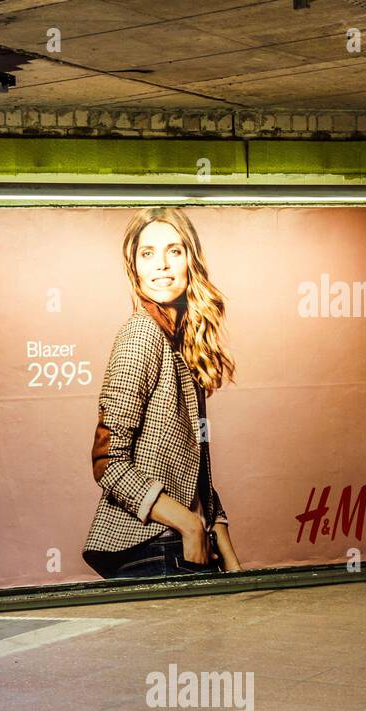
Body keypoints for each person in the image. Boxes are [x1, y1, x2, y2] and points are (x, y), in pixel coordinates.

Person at [83, 207, 243, 578]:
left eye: (174, 251)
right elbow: (108, 462)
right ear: (135, 266)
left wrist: (230, 557)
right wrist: (187, 524)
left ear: (191, 260)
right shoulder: (142, 334)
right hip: (151, 542)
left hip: (181, 542)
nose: (162, 265)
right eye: (148, 254)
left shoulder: (185, 345)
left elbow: (200, 472)